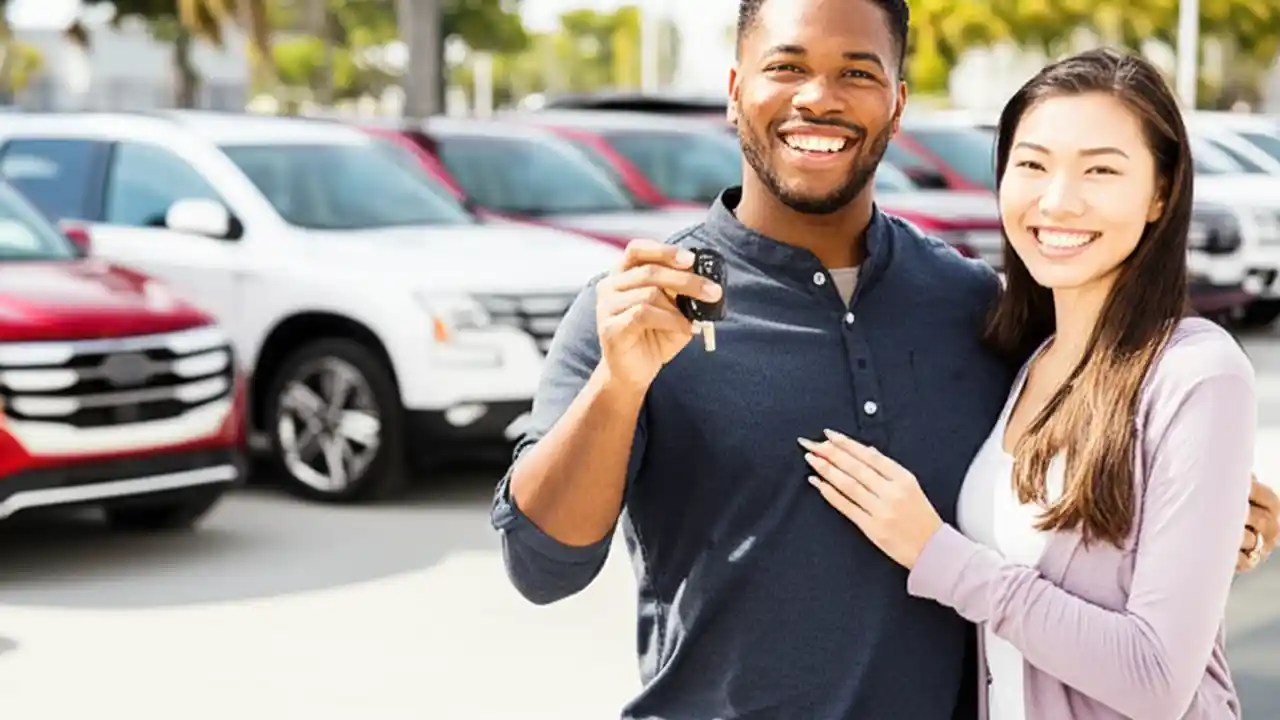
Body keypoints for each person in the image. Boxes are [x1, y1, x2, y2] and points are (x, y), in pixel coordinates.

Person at [489, 0, 1280, 717]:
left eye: (857, 74)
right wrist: (619, 384)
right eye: (787, 67)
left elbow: (1073, 485)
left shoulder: (975, 306)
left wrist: (1194, 513)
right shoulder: (635, 308)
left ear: (898, 103)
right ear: (735, 89)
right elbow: (540, 569)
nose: (818, 97)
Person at [801, 47, 1260, 719]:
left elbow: (1156, 679)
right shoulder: (1030, 360)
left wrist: (935, 552)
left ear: (1160, 192)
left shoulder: (1196, 372)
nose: (1057, 201)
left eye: (1101, 169)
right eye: (1032, 164)